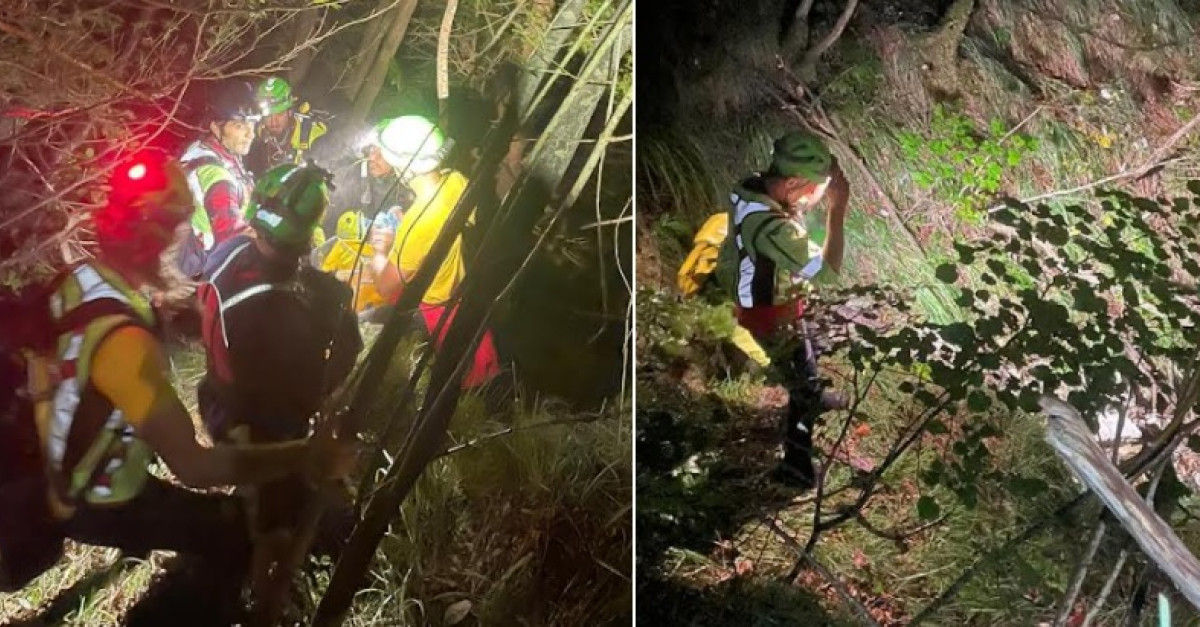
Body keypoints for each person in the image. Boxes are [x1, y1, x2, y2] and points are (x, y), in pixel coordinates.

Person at [31, 152, 356, 622]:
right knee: (231, 534)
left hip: (58, 462)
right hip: (95, 494)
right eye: (184, 225)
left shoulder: (82, 281)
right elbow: (195, 466)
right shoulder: (126, 342)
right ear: (161, 236)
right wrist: (308, 454)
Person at [196, 162, 361, 623]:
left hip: (216, 400)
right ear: (309, 235)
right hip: (262, 426)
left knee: (261, 504)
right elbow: (325, 375)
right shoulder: (298, 308)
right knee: (275, 524)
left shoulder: (226, 253)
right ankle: (266, 604)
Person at [715, 130, 851, 489]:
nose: (815, 200)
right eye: (812, 191)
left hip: (779, 304)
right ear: (791, 183)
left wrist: (820, 183)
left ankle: (814, 392)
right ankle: (796, 467)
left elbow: (792, 206)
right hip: (769, 314)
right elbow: (827, 273)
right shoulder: (772, 227)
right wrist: (837, 212)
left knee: (804, 361)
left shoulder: (751, 188)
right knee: (800, 390)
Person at [362, 115, 502, 390]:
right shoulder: (455, 180)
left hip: (436, 306)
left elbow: (387, 284)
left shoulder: (419, 222)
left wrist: (381, 251)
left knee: (365, 325)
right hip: (464, 290)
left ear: (404, 164)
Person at [177, 80, 261, 279]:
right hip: (199, 276)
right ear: (216, 127)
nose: (251, 134)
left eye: (253, 124)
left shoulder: (208, 149)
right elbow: (233, 232)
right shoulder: (215, 175)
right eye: (240, 126)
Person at [247, 77, 329, 176]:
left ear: (290, 112)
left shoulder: (311, 132)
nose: (273, 121)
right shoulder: (254, 136)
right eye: (268, 116)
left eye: (279, 114)